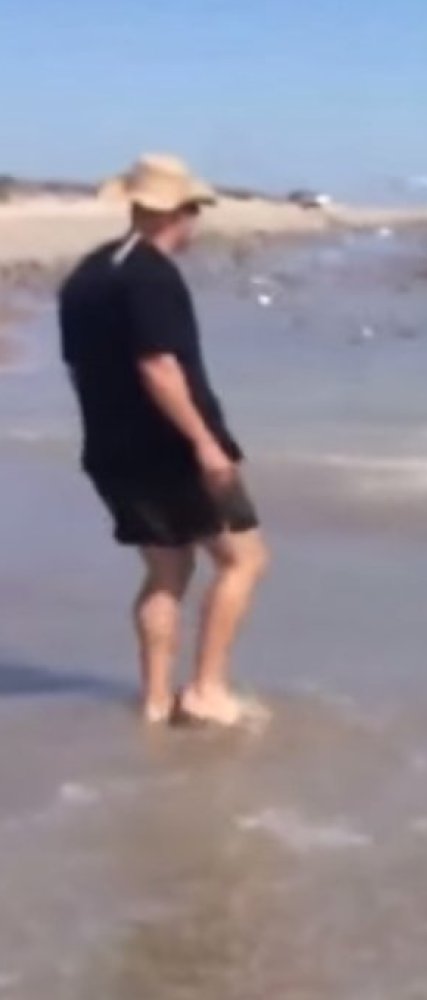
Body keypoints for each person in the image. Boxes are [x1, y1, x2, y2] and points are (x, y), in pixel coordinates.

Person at [58, 154, 270, 728]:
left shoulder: (88, 273)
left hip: (111, 448)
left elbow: (80, 368)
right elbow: (159, 366)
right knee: (244, 560)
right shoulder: (150, 273)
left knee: (166, 572)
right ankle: (206, 690)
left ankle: (155, 702)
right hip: (170, 448)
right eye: (194, 210)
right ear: (180, 211)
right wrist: (205, 444)